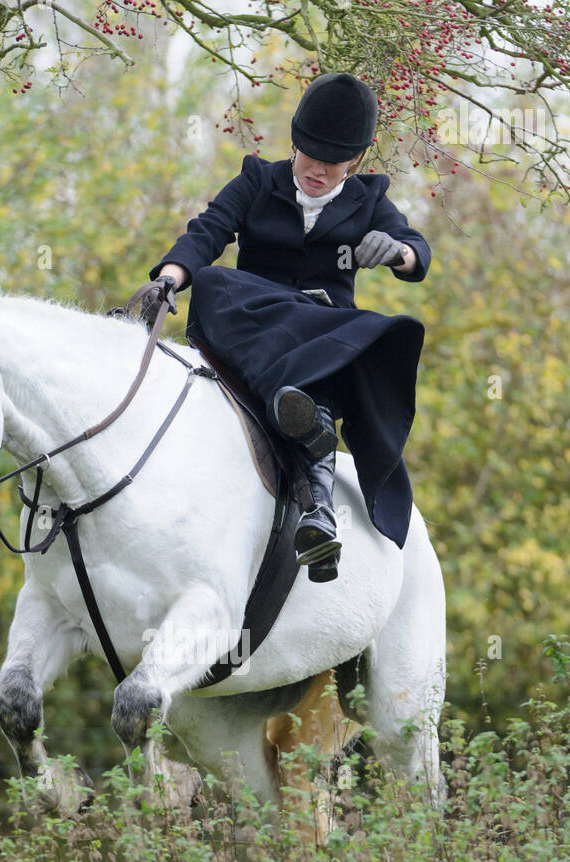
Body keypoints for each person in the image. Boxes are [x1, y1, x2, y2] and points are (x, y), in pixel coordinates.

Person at [126, 72, 431, 582]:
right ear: (295, 142)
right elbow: (209, 231)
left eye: (333, 165)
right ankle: (304, 424)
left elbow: (416, 250)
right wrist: (168, 280)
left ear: (354, 162)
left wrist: (397, 252)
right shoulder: (256, 180)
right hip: (254, 320)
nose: (317, 171)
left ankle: (317, 506)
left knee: (360, 333)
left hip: (319, 330)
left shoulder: (371, 200)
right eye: (310, 156)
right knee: (216, 281)